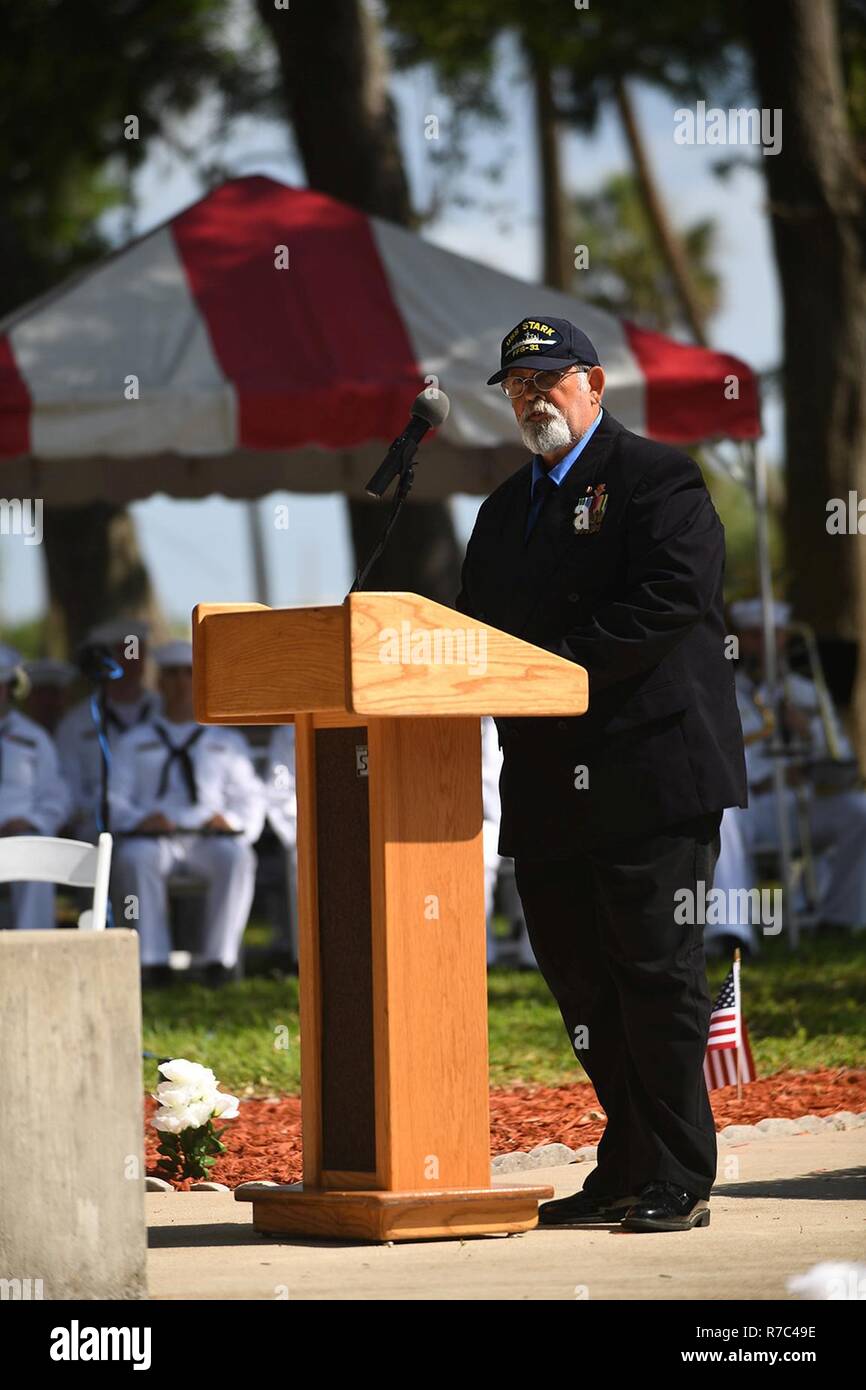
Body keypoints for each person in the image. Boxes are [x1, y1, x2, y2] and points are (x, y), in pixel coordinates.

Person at [456, 315, 747, 1232]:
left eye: (548, 377)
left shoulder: (659, 478)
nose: (532, 395)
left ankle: (678, 1177)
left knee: (656, 974)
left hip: (649, 774)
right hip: (547, 784)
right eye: (516, 384)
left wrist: (554, 669)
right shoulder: (505, 510)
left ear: (593, 384)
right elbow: (479, 626)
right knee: (581, 979)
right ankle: (628, 1159)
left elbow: (671, 601)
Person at [109, 640, 265, 987]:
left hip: (207, 837)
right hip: (155, 838)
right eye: (172, 675)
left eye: (188, 674)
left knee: (238, 858)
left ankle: (218, 961)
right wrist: (140, 820)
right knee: (134, 860)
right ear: (159, 683)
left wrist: (233, 822)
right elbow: (114, 799)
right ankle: (152, 961)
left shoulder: (225, 740)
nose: (180, 683)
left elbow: (251, 797)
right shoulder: (135, 741)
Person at [729, 598, 866, 936]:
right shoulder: (723, 691)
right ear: (740, 640)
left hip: (800, 800)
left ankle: (841, 918)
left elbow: (840, 755)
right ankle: (730, 930)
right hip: (750, 805)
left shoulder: (806, 690)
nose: (764, 645)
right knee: (723, 817)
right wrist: (766, 776)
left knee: (859, 811)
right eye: (754, 636)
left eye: (772, 635)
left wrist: (810, 729)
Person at [56, 618, 160, 839]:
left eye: (136, 653)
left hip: (158, 818)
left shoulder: (163, 711)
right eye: (124, 653)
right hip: (97, 821)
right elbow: (68, 782)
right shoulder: (77, 722)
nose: (132, 662)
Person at [0, 644, 71, 929]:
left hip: (21, 835)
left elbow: (57, 797)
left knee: (38, 864)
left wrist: (32, 822)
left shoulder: (34, 737)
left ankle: (34, 957)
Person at [22, 658, 77, 733]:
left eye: (54, 695)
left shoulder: (76, 730)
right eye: (40, 696)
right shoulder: (16, 732)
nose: (47, 701)